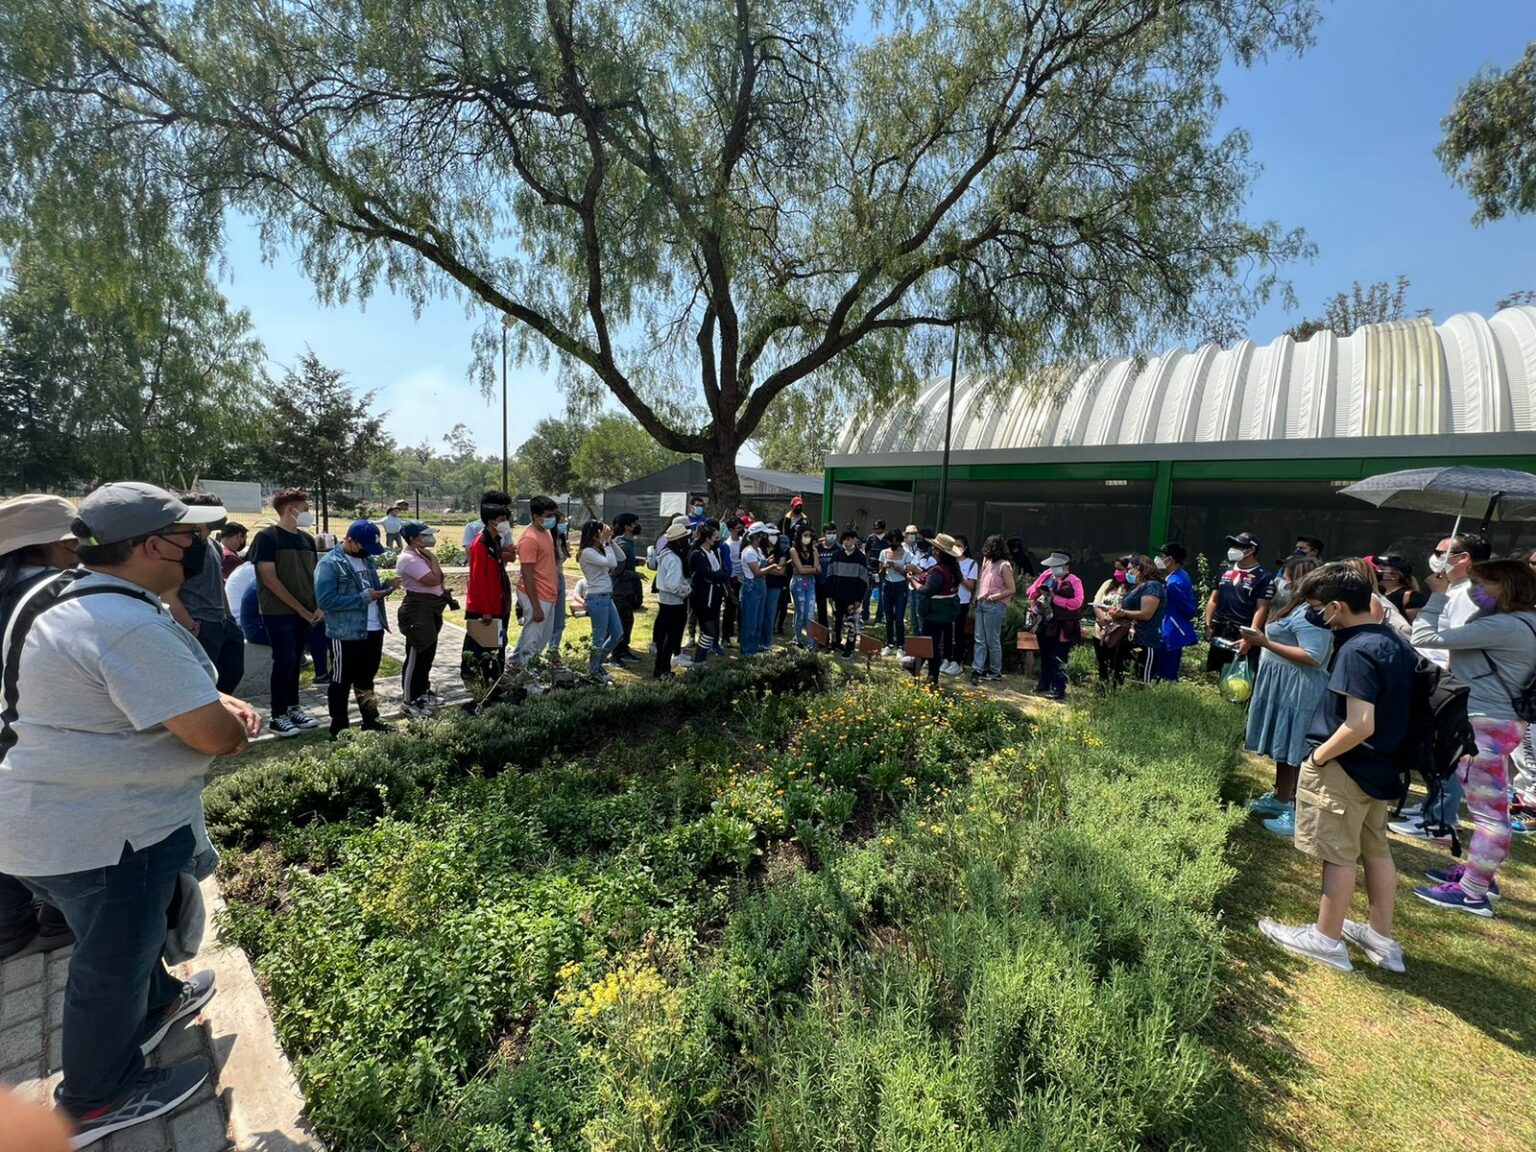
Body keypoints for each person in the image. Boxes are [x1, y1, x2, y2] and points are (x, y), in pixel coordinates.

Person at [0, 482, 258, 1143]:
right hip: (105, 836)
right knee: (109, 963)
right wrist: (228, 721)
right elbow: (211, 736)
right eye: (188, 536)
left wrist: (206, 699)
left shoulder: (65, 598)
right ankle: (96, 1098)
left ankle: (156, 1008)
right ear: (152, 546)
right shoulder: (126, 626)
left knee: (124, 941)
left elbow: (141, 693)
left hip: (60, 822)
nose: (198, 547)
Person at [1258, 563, 1413, 974]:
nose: (1315, 615)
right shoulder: (1390, 641)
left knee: (1338, 854)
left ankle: (1326, 940)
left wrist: (1319, 756)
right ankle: (1380, 937)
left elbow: (1360, 723)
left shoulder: (1357, 650)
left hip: (1348, 766)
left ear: (1336, 607)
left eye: (1316, 608)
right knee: (1375, 849)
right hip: (1382, 766)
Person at [1408, 558, 1536, 915]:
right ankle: (1481, 873)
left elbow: (1425, 638)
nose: (1475, 590)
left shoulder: (1504, 626)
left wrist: (1437, 596)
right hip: (1502, 721)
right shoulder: (1524, 621)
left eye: (1482, 584)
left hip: (1484, 725)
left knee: (1489, 815)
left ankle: (1472, 892)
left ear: (1506, 588)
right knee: (1489, 808)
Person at [0, 495, 80, 963]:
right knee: (52, 818)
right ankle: (59, 916)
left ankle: (10, 924)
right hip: (43, 729)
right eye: (70, 541)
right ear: (50, 545)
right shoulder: (60, 593)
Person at [1397, 532, 1491, 841]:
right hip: (1443, 678)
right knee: (1434, 748)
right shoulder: (1458, 589)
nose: (1436, 557)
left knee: (1447, 751)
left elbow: (1447, 640)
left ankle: (1440, 819)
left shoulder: (1469, 595)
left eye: (1443, 552)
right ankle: (1431, 806)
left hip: (1452, 683)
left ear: (1464, 558)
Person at [1245, 558, 1331, 837]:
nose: (1283, 579)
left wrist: (1265, 642)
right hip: (1283, 685)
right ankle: (1281, 797)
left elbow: (1313, 656)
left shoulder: (1314, 614)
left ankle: (1297, 810)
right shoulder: (1298, 607)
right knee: (1284, 746)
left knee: (1297, 747)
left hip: (1300, 688)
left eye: (1288, 575)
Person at [314, 520, 399, 737]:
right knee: (341, 680)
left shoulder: (367, 559)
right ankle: (339, 729)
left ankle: (370, 720)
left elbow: (370, 590)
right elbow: (326, 601)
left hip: (373, 628)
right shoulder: (330, 563)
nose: (367, 552)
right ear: (349, 540)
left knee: (366, 679)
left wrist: (386, 587)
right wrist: (364, 597)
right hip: (346, 632)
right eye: (363, 547)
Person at [251, 488, 324, 737]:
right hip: (278, 612)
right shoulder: (267, 538)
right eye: (305, 508)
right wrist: (301, 609)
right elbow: (270, 580)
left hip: (306, 612)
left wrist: (316, 606)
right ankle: (277, 715)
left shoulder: (307, 540)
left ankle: (294, 708)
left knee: (295, 663)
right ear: (291, 509)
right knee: (284, 661)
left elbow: (312, 576)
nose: (308, 513)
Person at [163, 492, 244, 695]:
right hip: (200, 625)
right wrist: (190, 625)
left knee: (231, 676)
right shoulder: (184, 548)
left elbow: (218, 583)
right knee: (204, 687)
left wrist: (229, 618)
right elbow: (168, 594)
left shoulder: (214, 545)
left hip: (223, 623)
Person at [461, 493, 516, 697]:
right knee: (482, 648)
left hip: (498, 603)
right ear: (493, 522)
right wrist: (485, 611)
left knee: (497, 646)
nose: (506, 523)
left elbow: (509, 558)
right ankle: (480, 685)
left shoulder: (495, 541)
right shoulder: (481, 543)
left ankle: (495, 682)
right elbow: (479, 579)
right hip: (486, 608)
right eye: (503, 520)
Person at [396, 520, 448, 716]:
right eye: (424, 535)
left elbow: (439, 577)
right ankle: (409, 699)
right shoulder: (409, 559)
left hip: (431, 609)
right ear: (413, 538)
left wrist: (431, 557)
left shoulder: (421, 555)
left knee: (428, 653)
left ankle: (423, 692)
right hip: (418, 611)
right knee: (416, 654)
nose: (429, 538)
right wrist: (433, 557)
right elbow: (433, 579)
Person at [1204, 530, 1272, 677]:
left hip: (1243, 630)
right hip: (1220, 626)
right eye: (1233, 545)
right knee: (1219, 670)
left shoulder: (1263, 576)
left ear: (1251, 550)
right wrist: (1208, 624)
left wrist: (1250, 638)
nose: (1233, 549)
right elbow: (1213, 599)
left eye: (1239, 546)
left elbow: (1262, 608)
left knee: (1241, 675)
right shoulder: (1224, 570)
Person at [1025, 549, 1084, 700]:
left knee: (1059, 657)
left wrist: (1055, 597)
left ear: (1066, 566)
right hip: (1044, 622)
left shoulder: (1074, 581)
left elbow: (1076, 603)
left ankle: (1058, 689)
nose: (1053, 569)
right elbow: (1030, 591)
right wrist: (1038, 592)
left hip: (1062, 626)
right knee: (1045, 654)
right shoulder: (1046, 575)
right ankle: (1043, 683)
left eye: (1056, 566)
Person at [513, 496, 561, 665]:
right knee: (531, 641)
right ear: (536, 516)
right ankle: (528, 683)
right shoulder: (529, 539)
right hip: (537, 596)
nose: (552, 519)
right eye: (548, 515)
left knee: (542, 639)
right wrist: (535, 607)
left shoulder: (545, 532)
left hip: (548, 594)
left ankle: (524, 675)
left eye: (553, 515)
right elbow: (527, 575)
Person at [911, 534, 963, 685]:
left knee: (929, 645)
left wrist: (912, 581)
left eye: (935, 548)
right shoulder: (953, 568)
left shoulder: (939, 571)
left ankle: (929, 676)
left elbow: (927, 590)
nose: (933, 550)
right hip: (947, 613)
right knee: (935, 645)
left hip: (934, 614)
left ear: (940, 551)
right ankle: (924, 671)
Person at [577, 519, 624, 683]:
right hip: (596, 598)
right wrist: (606, 543)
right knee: (599, 637)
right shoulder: (587, 552)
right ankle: (594, 670)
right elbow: (611, 563)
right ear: (595, 535)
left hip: (606, 596)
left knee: (617, 633)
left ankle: (597, 665)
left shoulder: (601, 549)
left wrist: (609, 540)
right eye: (602, 531)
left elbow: (621, 557)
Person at [1109, 554, 1164, 684]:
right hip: (1128, 639)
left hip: (1145, 641)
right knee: (1120, 677)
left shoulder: (1152, 586)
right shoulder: (1135, 587)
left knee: (1140, 681)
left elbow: (1146, 614)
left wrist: (1123, 613)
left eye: (1129, 569)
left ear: (1139, 568)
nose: (1127, 573)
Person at [969, 534, 1015, 684]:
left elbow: (1011, 589)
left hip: (995, 605)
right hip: (982, 603)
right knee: (979, 639)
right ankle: (977, 668)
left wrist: (995, 597)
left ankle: (995, 671)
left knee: (992, 640)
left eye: (989, 547)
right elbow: (982, 581)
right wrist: (976, 596)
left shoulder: (1004, 565)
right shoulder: (986, 561)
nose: (985, 550)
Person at [652, 523, 692, 676]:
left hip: (664, 600)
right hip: (674, 602)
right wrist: (686, 590)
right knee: (670, 638)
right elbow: (672, 584)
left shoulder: (665, 554)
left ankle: (659, 668)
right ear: (678, 540)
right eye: (684, 539)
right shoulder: (674, 559)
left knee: (663, 637)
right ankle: (664, 670)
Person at [1153, 542, 1197, 681]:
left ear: (1170, 559)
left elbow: (1187, 608)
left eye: (1162, 556)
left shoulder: (1174, 583)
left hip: (1171, 629)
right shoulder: (1178, 575)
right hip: (1170, 626)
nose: (1159, 559)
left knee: (1166, 670)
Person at [688, 519, 730, 666]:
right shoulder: (697, 555)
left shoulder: (712, 552)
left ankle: (700, 660)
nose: (716, 541)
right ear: (707, 538)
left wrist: (718, 576)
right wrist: (717, 576)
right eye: (714, 538)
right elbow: (707, 575)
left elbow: (721, 572)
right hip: (702, 598)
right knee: (709, 631)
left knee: (710, 631)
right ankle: (698, 660)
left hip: (714, 597)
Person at [1089, 555, 1132, 689]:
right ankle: (1101, 694)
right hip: (1100, 632)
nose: (1116, 573)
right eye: (1115, 569)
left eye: (1120, 569)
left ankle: (1114, 695)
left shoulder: (1133, 589)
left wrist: (1112, 619)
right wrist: (1102, 619)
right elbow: (1096, 603)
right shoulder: (1108, 584)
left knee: (1117, 667)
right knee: (1102, 666)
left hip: (1119, 634)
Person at [609, 513, 644, 665]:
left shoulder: (628, 543)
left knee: (628, 621)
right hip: (619, 591)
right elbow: (617, 571)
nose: (637, 525)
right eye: (634, 523)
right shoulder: (621, 544)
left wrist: (636, 562)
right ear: (627, 527)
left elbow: (627, 563)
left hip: (628, 590)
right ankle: (616, 654)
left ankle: (623, 649)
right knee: (620, 624)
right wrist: (636, 574)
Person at [827, 529, 868, 657]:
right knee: (837, 622)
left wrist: (859, 599)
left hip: (852, 598)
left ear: (854, 540)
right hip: (838, 596)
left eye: (849, 539)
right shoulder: (836, 555)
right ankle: (836, 643)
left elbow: (864, 580)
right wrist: (831, 595)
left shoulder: (861, 558)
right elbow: (830, 576)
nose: (846, 542)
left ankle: (849, 647)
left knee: (851, 624)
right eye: (844, 539)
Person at [736, 523, 771, 656]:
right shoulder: (749, 551)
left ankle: (754, 649)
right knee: (750, 622)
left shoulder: (758, 550)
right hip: (751, 589)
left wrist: (768, 561)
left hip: (761, 587)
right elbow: (757, 572)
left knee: (758, 622)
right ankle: (746, 652)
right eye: (764, 534)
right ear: (758, 536)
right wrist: (772, 567)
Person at [950, 535, 978, 674]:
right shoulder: (950, 561)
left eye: (959, 545)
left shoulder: (971, 564)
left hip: (962, 601)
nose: (957, 548)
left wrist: (959, 576)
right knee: (947, 631)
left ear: (965, 547)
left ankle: (957, 661)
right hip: (948, 599)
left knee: (959, 632)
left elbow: (970, 586)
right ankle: (946, 658)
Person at [789, 523, 819, 649]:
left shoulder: (814, 550)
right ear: (799, 536)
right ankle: (798, 638)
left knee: (810, 613)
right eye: (805, 535)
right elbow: (800, 570)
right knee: (800, 612)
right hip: (798, 583)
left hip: (810, 583)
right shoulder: (793, 550)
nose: (808, 538)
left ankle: (811, 643)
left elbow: (817, 569)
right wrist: (811, 569)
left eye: (809, 535)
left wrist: (807, 569)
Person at [879, 530, 909, 654]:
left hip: (901, 586)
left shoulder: (906, 554)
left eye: (894, 541)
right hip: (887, 585)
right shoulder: (883, 553)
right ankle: (889, 643)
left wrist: (898, 568)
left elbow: (908, 574)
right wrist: (884, 568)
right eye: (889, 541)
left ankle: (901, 645)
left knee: (899, 617)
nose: (891, 543)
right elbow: (880, 574)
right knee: (889, 616)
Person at [547, 511, 571, 662]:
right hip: (550, 580)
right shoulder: (547, 539)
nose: (564, 525)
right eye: (561, 522)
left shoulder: (561, 540)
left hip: (560, 578)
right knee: (547, 620)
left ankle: (553, 651)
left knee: (559, 621)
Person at [1372, 554, 1423, 622]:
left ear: (1394, 576)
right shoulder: (1378, 593)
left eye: (1382, 569)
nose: (1376, 572)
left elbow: (1418, 624)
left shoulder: (1411, 597)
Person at [764, 527, 789, 645]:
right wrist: (772, 568)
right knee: (760, 614)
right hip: (761, 585)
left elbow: (781, 571)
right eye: (771, 534)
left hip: (775, 586)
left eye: (776, 535)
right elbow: (755, 568)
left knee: (770, 614)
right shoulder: (760, 549)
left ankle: (767, 642)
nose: (774, 537)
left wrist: (764, 569)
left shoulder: (781, 553)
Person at [814, 521, 839, 629]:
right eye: (829, 533)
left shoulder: (839, 549)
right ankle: (823, 639)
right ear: (824, 534)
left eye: (834, 533)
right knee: (821, 613)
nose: (832, 535)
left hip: (834, 584)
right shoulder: (817, 548)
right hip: (820, 584)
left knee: (836, 612)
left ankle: (836, 637)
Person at [862, 519, 886, 622]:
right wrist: (867, 566)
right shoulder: (871, 538)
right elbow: (866, 552)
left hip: (883, 570)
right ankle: (865, 615)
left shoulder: (887, 539)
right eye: (875, 528)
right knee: (867, 593)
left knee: (881, 595)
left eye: (878, 528)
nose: (876, 530)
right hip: (870, 569)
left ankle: (879, 617)